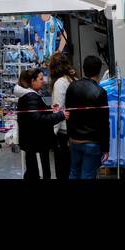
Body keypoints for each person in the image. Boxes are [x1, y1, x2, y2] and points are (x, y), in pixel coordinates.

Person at [65, 55, 110, 179]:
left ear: (84, 69)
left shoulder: (72, 87)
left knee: (74, 173)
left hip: (74, 140)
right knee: (88, 175)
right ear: (99, 70)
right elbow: (104, 122)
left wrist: (69, 137)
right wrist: (106, 148)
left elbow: (68, 114)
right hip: (92, 142)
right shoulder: (100, 92)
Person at [16, 67, 66, 179]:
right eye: (41, 78)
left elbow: (36, 113)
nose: (43, 81)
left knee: (33, 170)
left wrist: (49, 109)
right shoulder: (31, 96)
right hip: (36, 143)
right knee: (39, 172)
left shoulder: (30, 95)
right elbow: (37, 119)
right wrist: (60, 115)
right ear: (32, 81)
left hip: (33, 142)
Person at [47, 52, 76, 180]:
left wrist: (53, 132)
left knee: (62, 169)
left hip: (63, 132)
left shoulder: (59, 83)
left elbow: (57, 109)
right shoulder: (72, 79)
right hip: (73, 129)